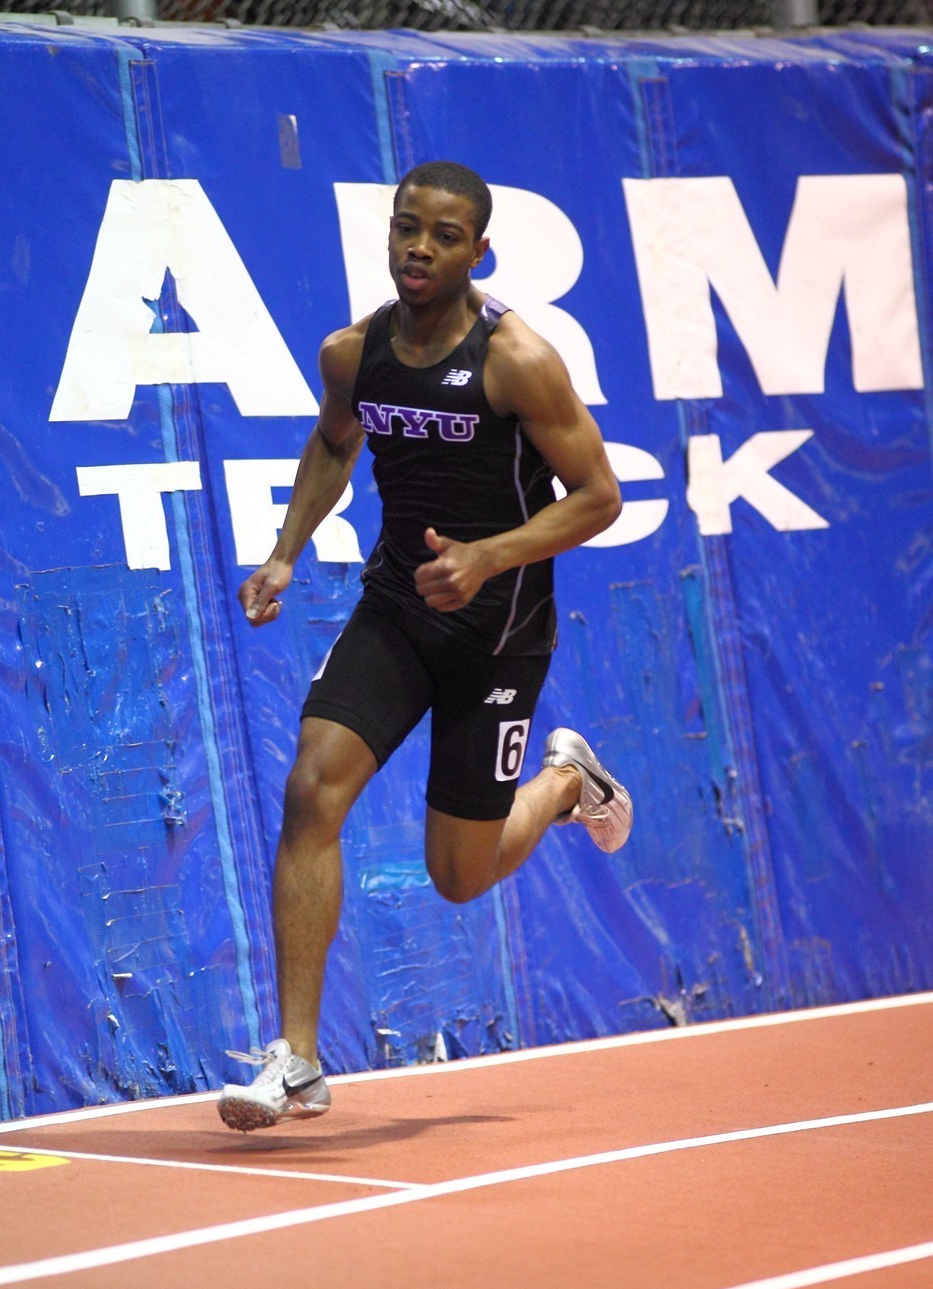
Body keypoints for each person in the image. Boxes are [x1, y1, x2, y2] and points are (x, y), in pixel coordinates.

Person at [218, 160, 629, 1132]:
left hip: (498, 632)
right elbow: (332, 443)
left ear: (476, 251)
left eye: (443, 235)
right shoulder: (353, 352)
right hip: (398, 604)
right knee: (312, 785)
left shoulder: (515, 359)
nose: (418, 247)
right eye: (407, 228)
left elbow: (599, 499)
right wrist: (283, 553)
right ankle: (298, 1059)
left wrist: (486, 558)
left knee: (457, 874)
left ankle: (568, 783)